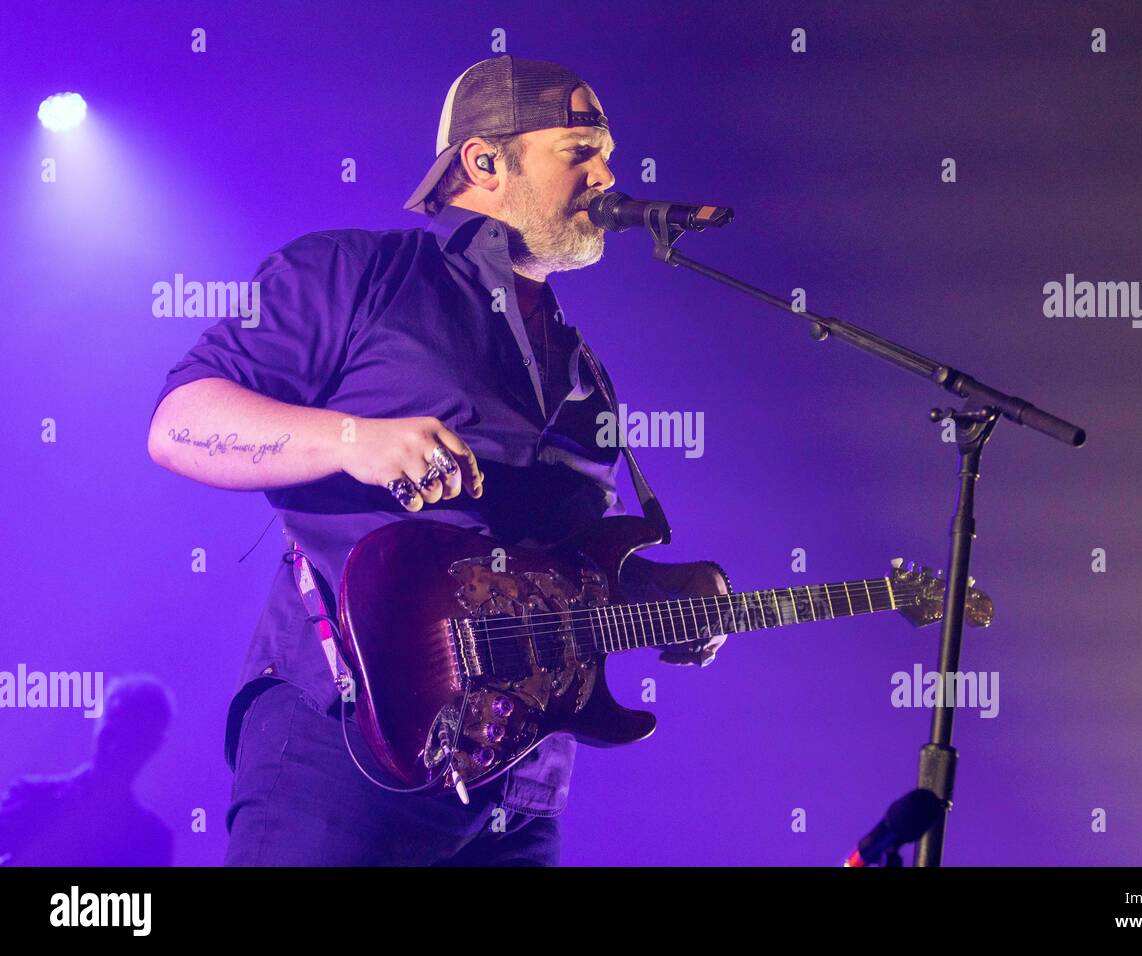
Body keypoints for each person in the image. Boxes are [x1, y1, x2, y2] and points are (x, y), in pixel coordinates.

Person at [146, 55, 723, 867]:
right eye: (580, 149)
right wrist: (356, 439)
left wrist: (663, 592)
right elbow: (179, 420)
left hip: (520, 787)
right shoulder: (355, 273)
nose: (608, 174)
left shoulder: (581, 363)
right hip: (347, 742)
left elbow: (560, 565)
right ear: (486, 162)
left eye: (607, 153)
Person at [0, 675, 174, 866]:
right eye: (110, 733)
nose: (114, 748)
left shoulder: (153, 841)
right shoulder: (32, 798)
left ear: (152, 745)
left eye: (131, 738)